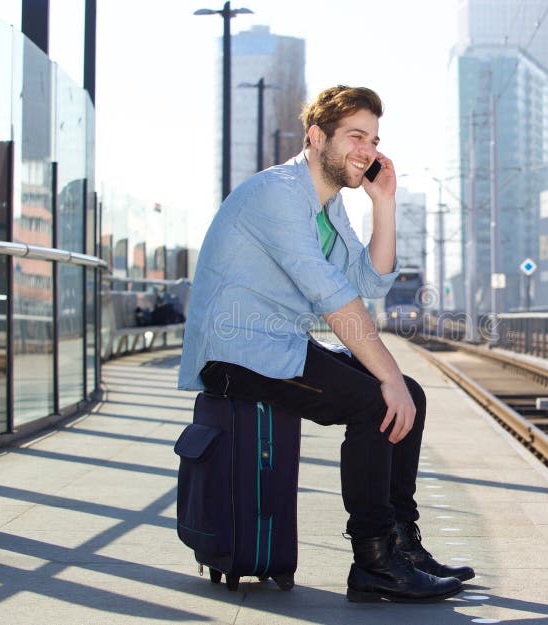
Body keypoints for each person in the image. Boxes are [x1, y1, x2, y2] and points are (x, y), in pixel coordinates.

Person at [178, 85, 474, 603]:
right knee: (374, 401)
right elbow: (335, 300)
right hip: (235, 354)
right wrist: (384, 378)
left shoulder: (330, 207)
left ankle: (403, 544)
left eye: (375, 139)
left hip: (277, 345)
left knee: (411, 395)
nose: (368, 150)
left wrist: (384, 202)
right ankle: (374, 561)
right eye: (355, 136)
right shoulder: (277, 194)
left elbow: (369, 280)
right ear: (316, 137)